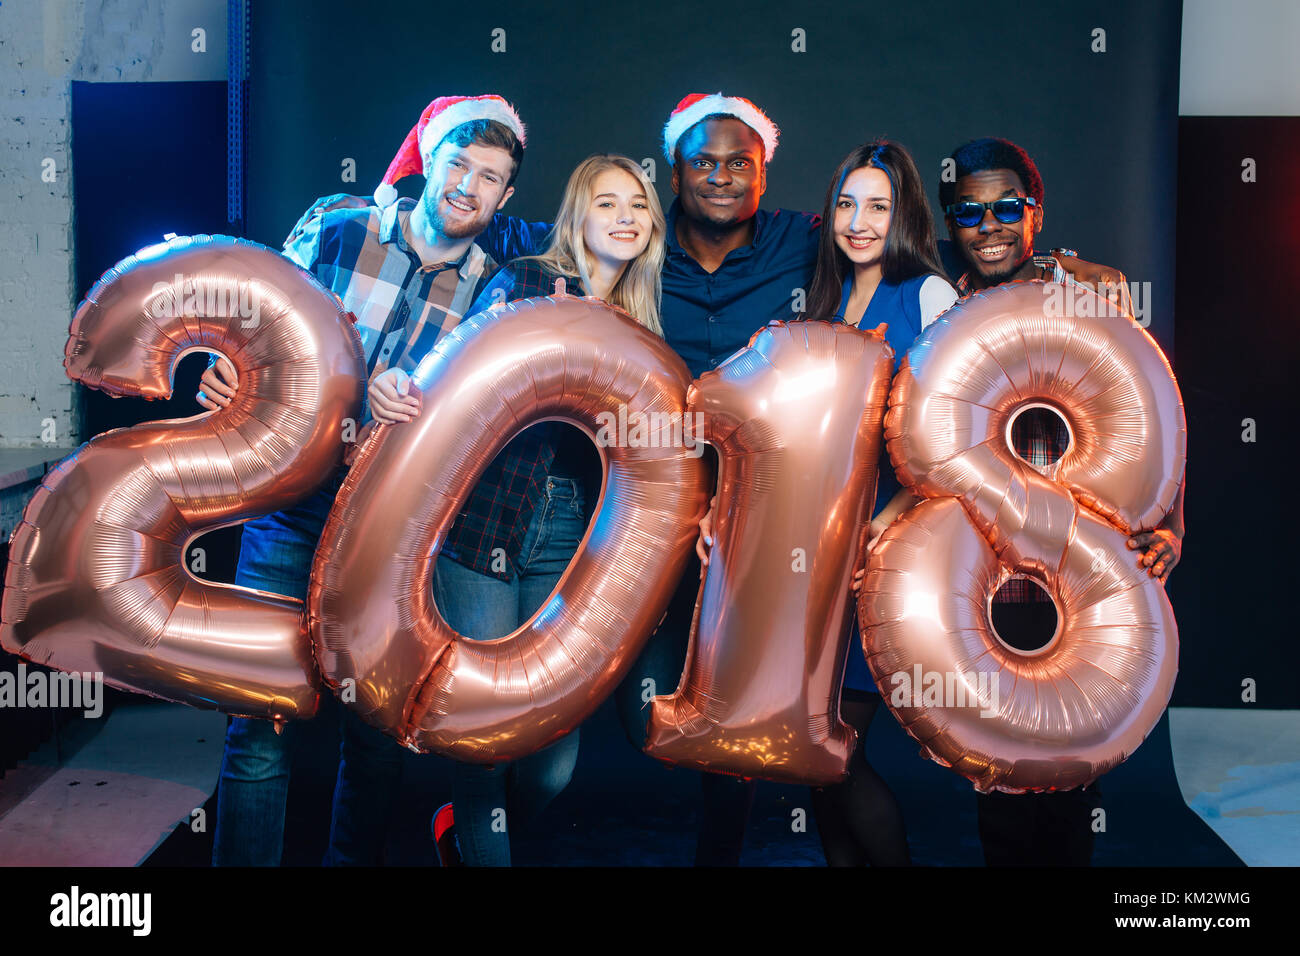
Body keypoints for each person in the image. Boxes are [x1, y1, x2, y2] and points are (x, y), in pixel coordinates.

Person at [197, 94, 530, 866]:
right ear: (427, 163)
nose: (467, 187)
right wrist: (225, 367)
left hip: (392, 531)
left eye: (489, 177)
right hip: (292, 506)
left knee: (376, 733)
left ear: (506, 197)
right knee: (259, 725)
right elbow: (260, 322)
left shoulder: (497, 291)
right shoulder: (341, 228)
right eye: (457, 165)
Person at [366, 154, 667, 866]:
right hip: (489, 516)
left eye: (638, 205)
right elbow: (448, 371)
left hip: (573, 532)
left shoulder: (642, 321)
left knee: (548, 761)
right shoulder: (528, 279)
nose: (624, 217)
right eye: (606, 203)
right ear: (577, 217)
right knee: (486, 728)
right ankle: (479, 841)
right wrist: (392, 382)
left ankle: (463, 831)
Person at [940, 136, 1185, 865]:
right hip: (988, 570)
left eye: (1007, 208)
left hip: (1082, 565)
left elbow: (1157, 420)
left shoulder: (1093, 291)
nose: (989, 226)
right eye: (969, 211)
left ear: (1036, 214)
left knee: (1071, 788)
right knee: (1000, 779)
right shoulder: (940, 305)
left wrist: (1171, 525)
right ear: (951, 222)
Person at [790, 139, 958, 866]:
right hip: (820, 550)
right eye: (847, 204)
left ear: (905, 216)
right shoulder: (824, 296)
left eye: (878, 207)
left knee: (837, 752)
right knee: (809, 759)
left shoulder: (928, 295)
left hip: (880, 552)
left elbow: (951, 440)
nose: (858, 221)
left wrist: (880, 533)